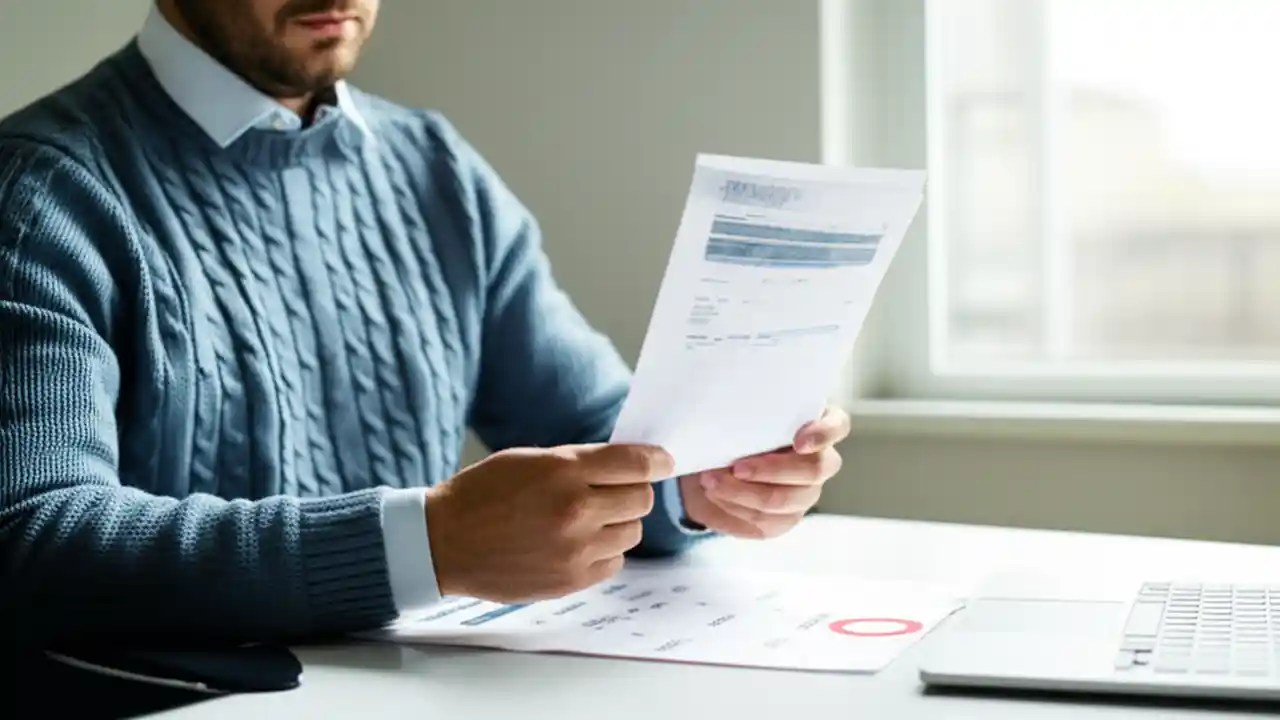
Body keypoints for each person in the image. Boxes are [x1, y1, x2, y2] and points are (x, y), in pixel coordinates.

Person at [0, 0, 851, 647]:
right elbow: (33, 538)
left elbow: (601, 431)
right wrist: (423, 545)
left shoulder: (432, 167)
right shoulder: (39, 196)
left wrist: (700, 484)